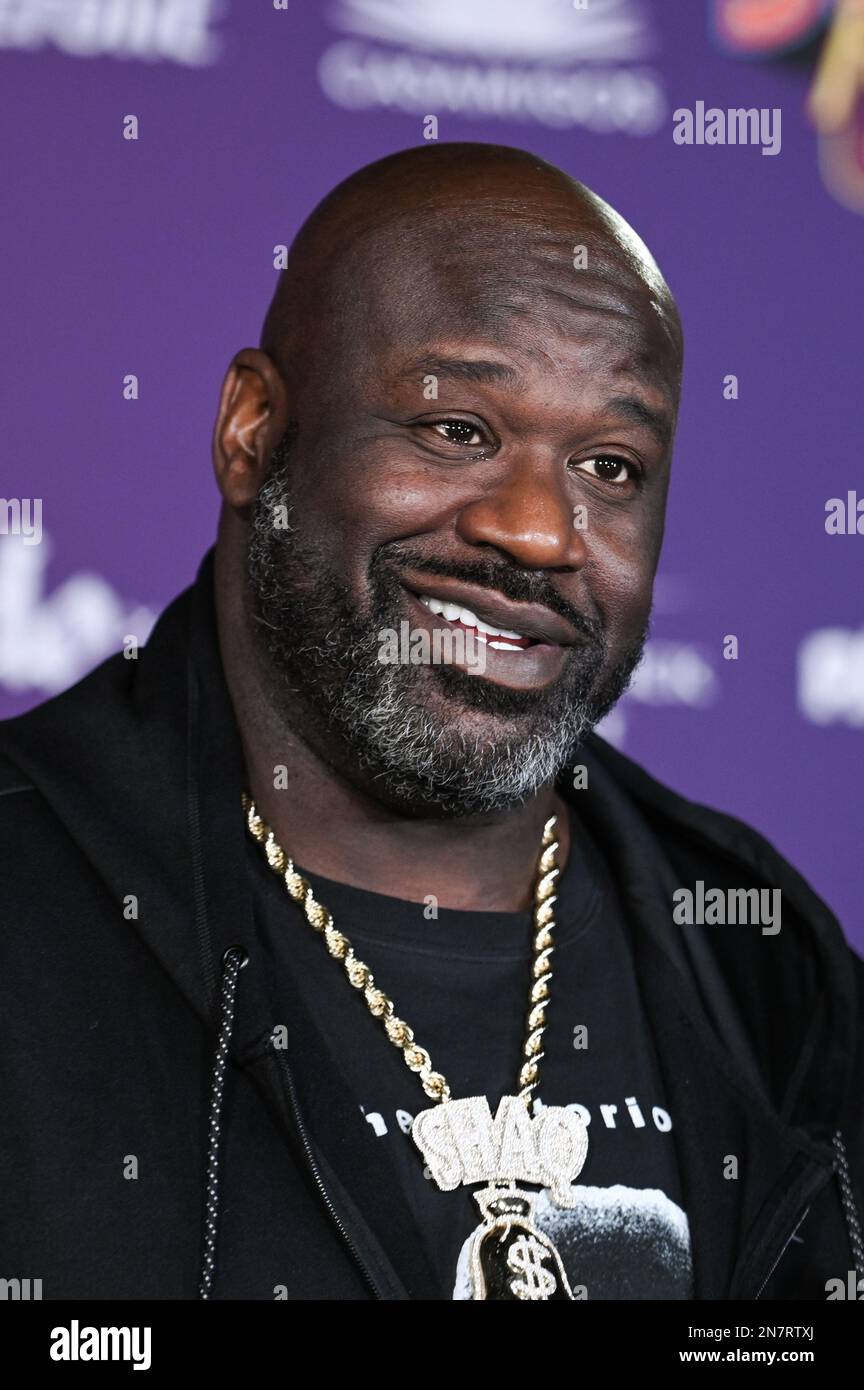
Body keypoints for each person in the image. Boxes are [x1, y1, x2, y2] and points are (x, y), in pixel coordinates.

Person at [1, 143, 861, 1302]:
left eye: (610, 465)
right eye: (458, 429)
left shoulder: (767, 963)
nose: (541, 532)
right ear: (254, 429)